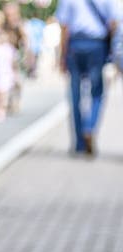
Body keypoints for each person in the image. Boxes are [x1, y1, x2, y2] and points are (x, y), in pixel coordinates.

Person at [56, 0, 120, 155]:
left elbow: (64, 27)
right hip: (97, 45)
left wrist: (62, 56)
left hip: (75, 45)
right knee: (97, 93)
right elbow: (114, 23)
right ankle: (89, 127)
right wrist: (112, 49)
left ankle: (79, 143)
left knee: (75, 95)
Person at [1, 2, 27, 114]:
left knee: (17, 82)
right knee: (6, 81)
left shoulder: (20, 25)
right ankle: (6, 102)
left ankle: (15, 102)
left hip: (17, 56)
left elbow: (25, 41)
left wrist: (25, 56)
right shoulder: (2, 25)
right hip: (5, 57)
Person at [0, 30, 18, 122]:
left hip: (6, 74)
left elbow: (13, 63)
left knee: (4, 94)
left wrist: (15, 74)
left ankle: (2, 110)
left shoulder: (9, 49)